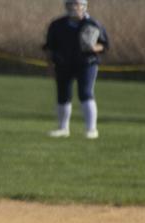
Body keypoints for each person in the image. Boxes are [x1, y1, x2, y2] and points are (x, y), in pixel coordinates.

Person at [42, 0, 109, 139]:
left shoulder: (92, 23)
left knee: (85, 93)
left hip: (86, 63)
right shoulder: (57, 24)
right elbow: (49, 47)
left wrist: (93, 47)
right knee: (63, 95)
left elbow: (104, 45)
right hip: (63, 63)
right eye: (70, 4)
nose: (73, 7)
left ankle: (91, 129)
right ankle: (63, 128)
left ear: (84, 6)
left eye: (76, 4)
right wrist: (49, 66)